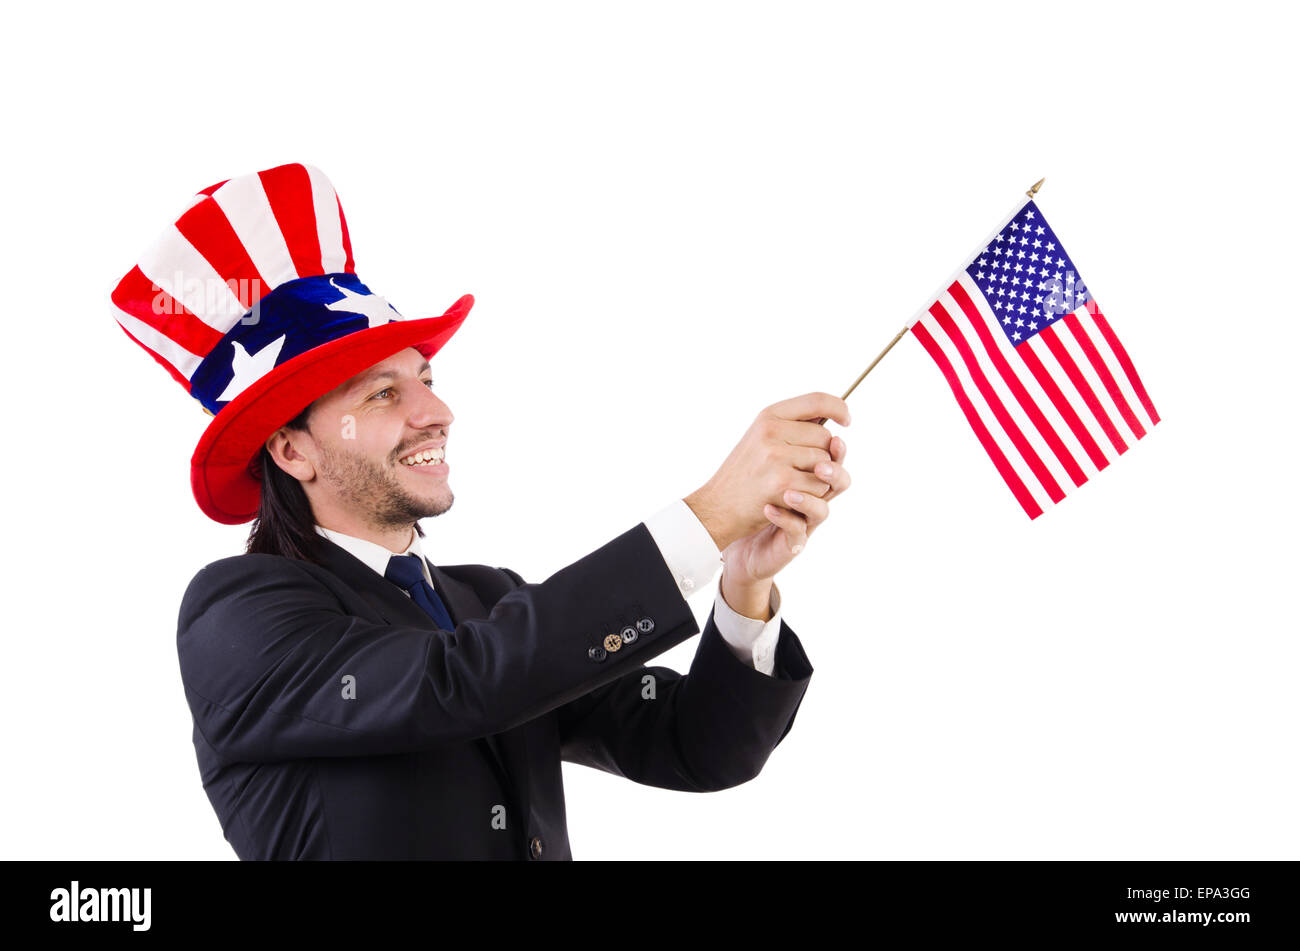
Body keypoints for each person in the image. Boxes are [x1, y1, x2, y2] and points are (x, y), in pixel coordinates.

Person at [112, 162, 852, 859]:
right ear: (293, 450)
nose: (438, 411)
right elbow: (461, 681)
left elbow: (700, 746)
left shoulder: (485, 598)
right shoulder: (237, 614)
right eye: (383, 393)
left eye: (425, 377)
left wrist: (742, 581)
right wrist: (706, 514)